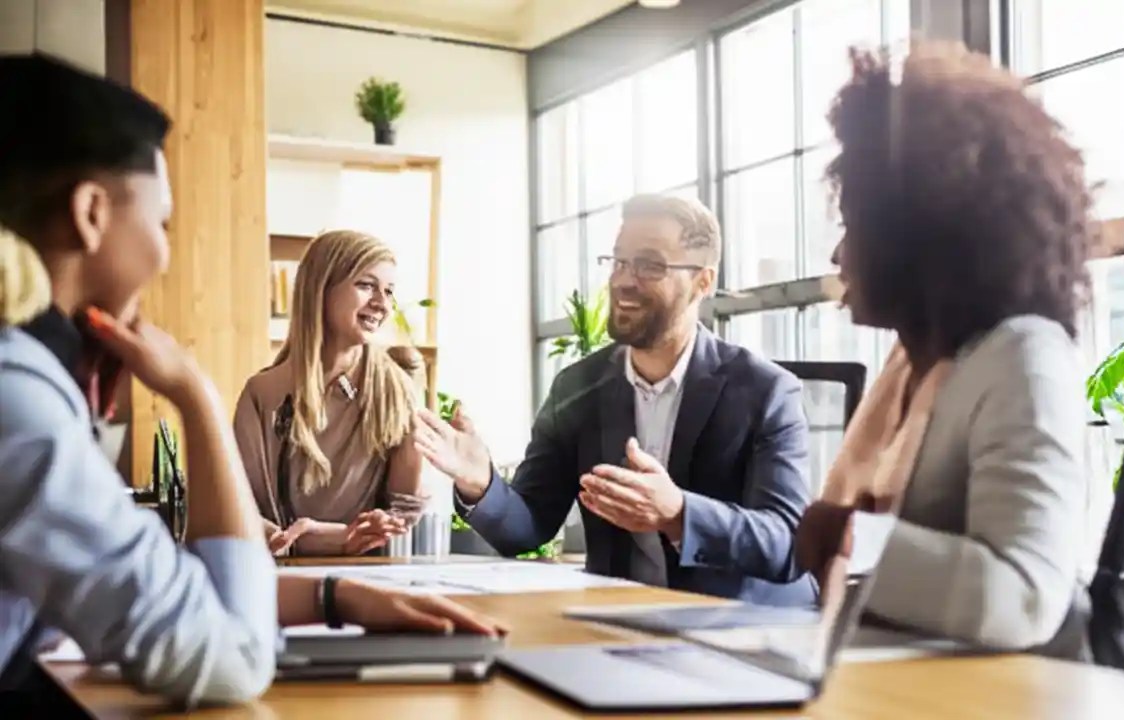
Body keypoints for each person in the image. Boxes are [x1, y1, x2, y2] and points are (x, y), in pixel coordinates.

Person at [0, 53, 503, 710]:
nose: (164, 251)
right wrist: (195, 397)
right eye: (161, 223)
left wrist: (335, 593)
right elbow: (231, 660)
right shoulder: (21, 404)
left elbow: (147, 584)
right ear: (92, 213)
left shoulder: (31, 381)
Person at [794, 42, 1096, 655]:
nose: (837, 255)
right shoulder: (913, 365)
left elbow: (1024, 597)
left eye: (853, 226)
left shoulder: (1023, 360)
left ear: (918, 235)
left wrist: (850, 539)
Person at [417, 194, 816, 606]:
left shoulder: (766, 391)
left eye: (649, 265)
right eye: (619, 261)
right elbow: (529, 529)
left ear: (702, 281)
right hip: (625, 623)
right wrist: (480, 483)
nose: (624, 280)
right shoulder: (577, 387)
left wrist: (678, 514)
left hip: (748, 630)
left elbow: (788, 544)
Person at [234, 230, 427, 556]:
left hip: (369, 581)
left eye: (389, 291)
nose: (381, 303)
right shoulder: (262, 395)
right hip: (279, 581)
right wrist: (292, 539)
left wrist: (353, 536)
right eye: (366, 285)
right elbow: (236, 506)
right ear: (321, 288)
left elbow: (406, 516)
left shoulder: (398, 393)